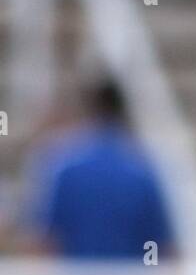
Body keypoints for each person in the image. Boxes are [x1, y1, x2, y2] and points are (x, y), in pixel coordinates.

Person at [22, 80, 174, 262]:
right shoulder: (143, 170)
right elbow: (160, 243)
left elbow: (45, 240)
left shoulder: (64, 167)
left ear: (90, 110)